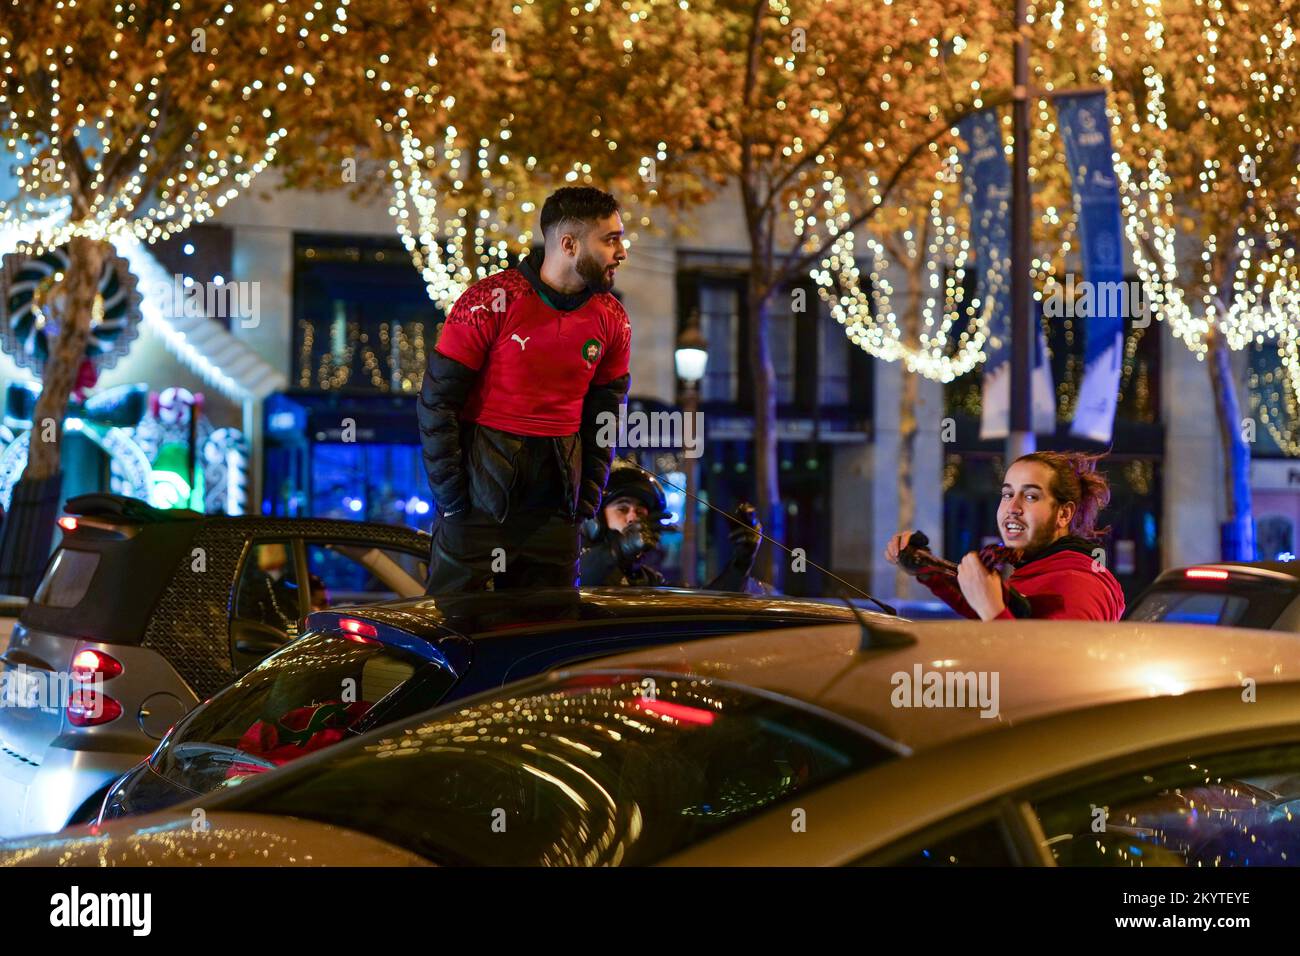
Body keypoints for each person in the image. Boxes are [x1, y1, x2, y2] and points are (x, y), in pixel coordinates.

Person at [419, 186, 631, 592]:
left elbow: (605, 415)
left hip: (557, 513)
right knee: (457, 623)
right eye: (610, 240)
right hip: (477, 509)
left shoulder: (613, 319)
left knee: (550, 626)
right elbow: (437, 403)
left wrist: (585, 501)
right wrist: (454, 502)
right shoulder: (487, 302)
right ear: (569, 244)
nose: (621, 253)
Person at [884, 450, 1125, 621]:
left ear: (1063, 514)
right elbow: (1015, 620)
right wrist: (924, 564)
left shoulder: (1079, 585)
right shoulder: (1041, 569)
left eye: (1030, 497)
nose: (1012, 508)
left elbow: (1057, 672)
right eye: (1007, 494)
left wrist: (991, 609)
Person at [580, 462, 767, 592]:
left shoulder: (648, 580)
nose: (633, 517)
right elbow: (574, 583)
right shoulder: (578, 566)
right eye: (622, 509)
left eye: (640, 511)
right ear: (597, 520)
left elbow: (704, 610)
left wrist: (741, 561)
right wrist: (619, 548)